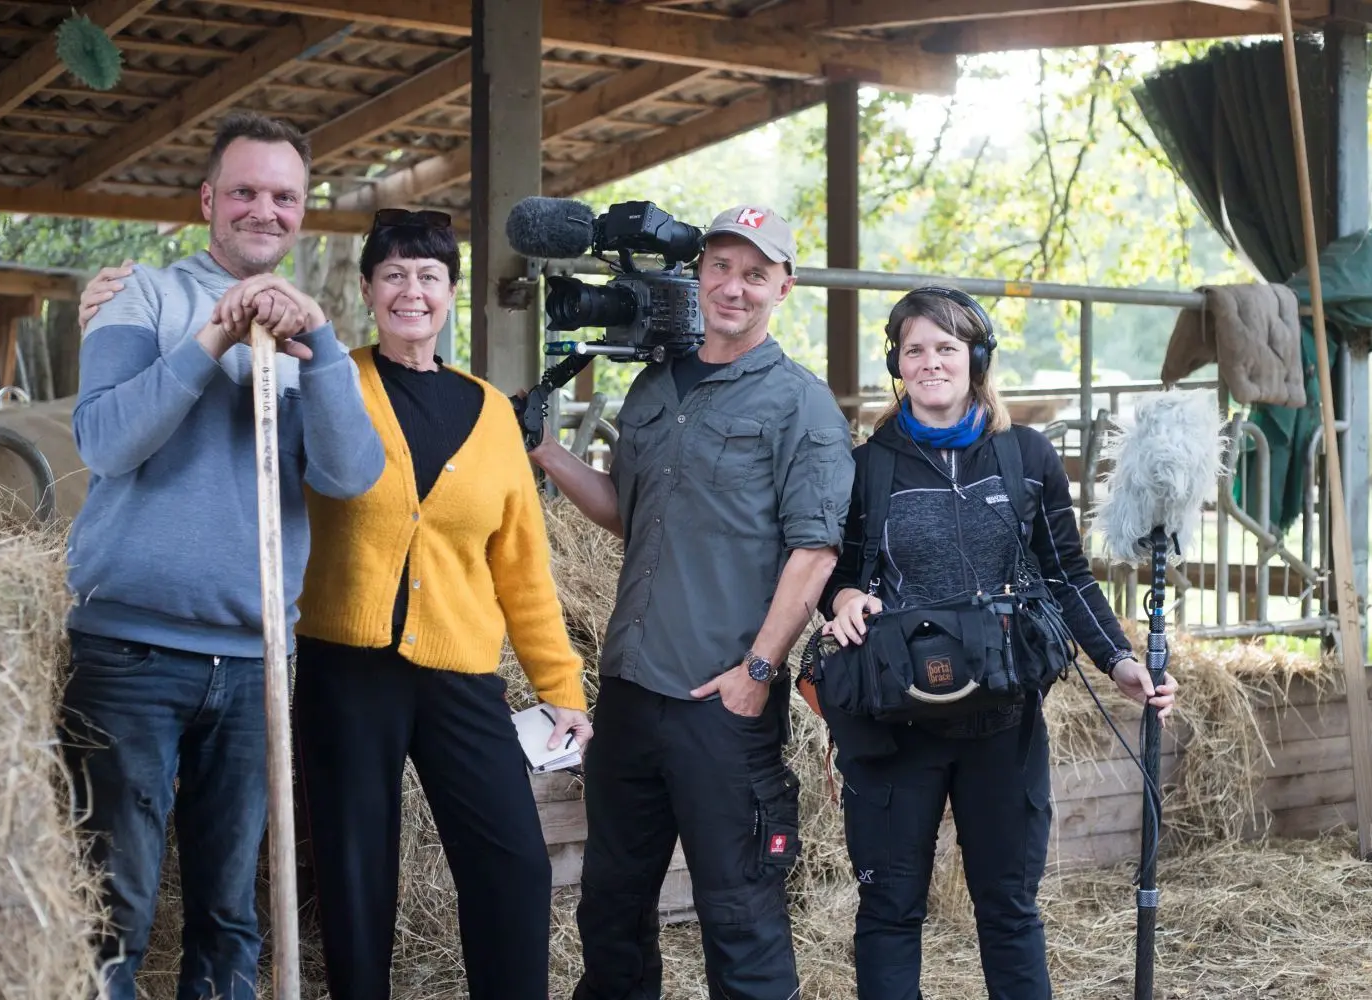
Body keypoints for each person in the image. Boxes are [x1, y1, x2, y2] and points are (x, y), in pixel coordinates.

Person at [60, 112, 386, 1000]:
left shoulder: (312, 340)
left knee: (230, 906)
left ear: (303, 213)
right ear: (208, 200)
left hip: (252, 661)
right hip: (129, 649)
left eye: (284, 196)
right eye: (243, 191)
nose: (263, 210)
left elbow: (351, 476)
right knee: (113, 902)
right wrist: (212, 337)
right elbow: (108, 443)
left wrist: (315, 349)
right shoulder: (144, 299)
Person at [816, 286, 1179, 1000]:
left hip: (1003, 722)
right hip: (896, 728)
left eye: (946, 347)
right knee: (888, 911)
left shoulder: (1026, 457)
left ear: (976, 358)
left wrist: (1121, 661)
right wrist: (844, 597)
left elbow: (1066, 574)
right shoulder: (868, 466)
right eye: (914, 349)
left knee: (1009, 910)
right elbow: (840, 572)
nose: (930, 363)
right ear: (896, 361)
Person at [528, 205, 855, 999]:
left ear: (785, 285)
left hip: (721, 703)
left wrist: (757, 672)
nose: (732, 287)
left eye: (753, 273)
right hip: (633, 692)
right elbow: (624, 511)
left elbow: (814, 552)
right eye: (719, 267)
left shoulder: (799, 403)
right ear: (698, 273)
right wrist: (540, 447)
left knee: (738, 917)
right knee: (610, 911)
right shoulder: (653, 385)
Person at [288, 209, 592, 1000]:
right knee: (356, 877)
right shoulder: (330, 384)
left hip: (459, 670)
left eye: (428, 276)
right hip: (346, 668)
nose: (410, 291)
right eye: (392, 274)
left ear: (451, 293)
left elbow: (522, 566)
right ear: (365, 290)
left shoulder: (491, 412)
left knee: (514, 864)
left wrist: (560, 686)